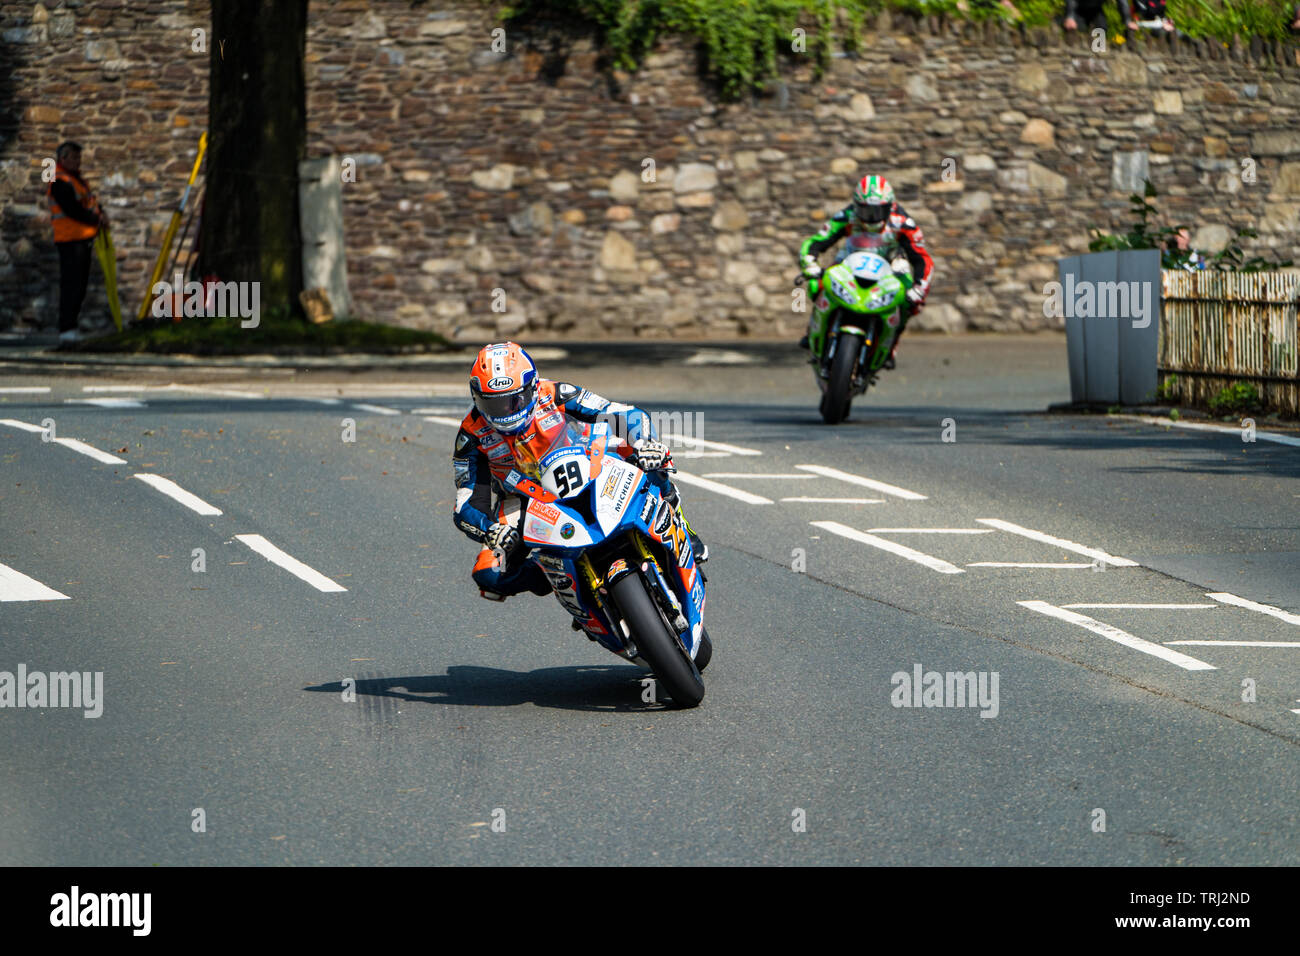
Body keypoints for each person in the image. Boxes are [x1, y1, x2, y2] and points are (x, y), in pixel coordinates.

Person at [452, 342, 708, 600]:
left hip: (586, 462)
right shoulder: (471, 435)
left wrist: (645, 443)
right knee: (488, 573)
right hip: (524, 499)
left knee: (646, 455)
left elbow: (619, 413)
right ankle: (556, 576)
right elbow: (467, 503)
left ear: (532, 387)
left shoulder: (555, 393)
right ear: (477, 398)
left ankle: (680, 524)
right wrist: (489, 529)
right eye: (495, 405)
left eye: (514, 400)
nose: (507, 412)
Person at [797, 174, 933, 369]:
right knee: (816, 284)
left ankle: (890, 346)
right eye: (865, 211)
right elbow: (817, 241)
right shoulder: (847, 216)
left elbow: (922, 259)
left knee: (909, 303)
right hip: (850, 261)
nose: (871, 217)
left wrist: (919, 288)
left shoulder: (903, 223)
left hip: (890, 265)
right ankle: (813, 331)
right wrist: (810, 263)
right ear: (856, 205)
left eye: (878, 212)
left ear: (889, 207)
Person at [46, 141, 108, 345]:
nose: (77, 161)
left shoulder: (77, 180)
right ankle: (67, 329)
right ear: (63, 159)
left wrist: (100, 215)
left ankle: (71, 327)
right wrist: (96, 220)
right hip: (70, 239)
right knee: (72, 285)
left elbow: (89, 202)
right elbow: (72, 209)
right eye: (73, 157)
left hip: (82, 237)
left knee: (79, 285)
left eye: (79, 157)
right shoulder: (60, 180)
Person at [1063, 0, 1131, 32]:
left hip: (1096, 11)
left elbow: (1122, 3)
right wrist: (1070, 17)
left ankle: (1098, 56)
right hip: (1077, 9)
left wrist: (1128, 21)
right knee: (1074, 30)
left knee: (1102, 29)